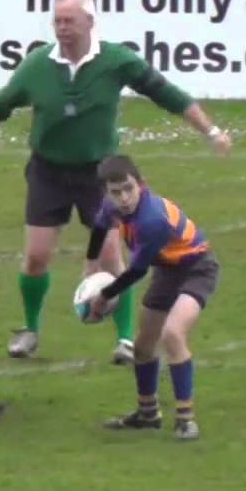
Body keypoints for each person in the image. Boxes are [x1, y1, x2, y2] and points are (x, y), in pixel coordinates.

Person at [0, 0, 232, 363]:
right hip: (48, 172)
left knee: (111, 256)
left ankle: (126, 338)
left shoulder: (116, 61)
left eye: (70, 21)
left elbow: (168, 95)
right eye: (57, 21)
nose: (62, 28)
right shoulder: (36, 65)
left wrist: (210, 131)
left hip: (101, 177)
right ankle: (30, 329)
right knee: (36, 257)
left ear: (90, 23)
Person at [84, 156, 217, 441]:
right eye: (115, 192)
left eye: (128, 189)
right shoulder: (111, 207)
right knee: (143, 347)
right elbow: (98, 229)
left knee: (172, 334)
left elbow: (136, 271)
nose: (123, 198)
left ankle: (185, 418)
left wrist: (103, 296)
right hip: (167, 271)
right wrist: (90, 265)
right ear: (106, 193)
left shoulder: (152, 220)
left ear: (141, 185)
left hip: (197, 269)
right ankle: (147, 414)